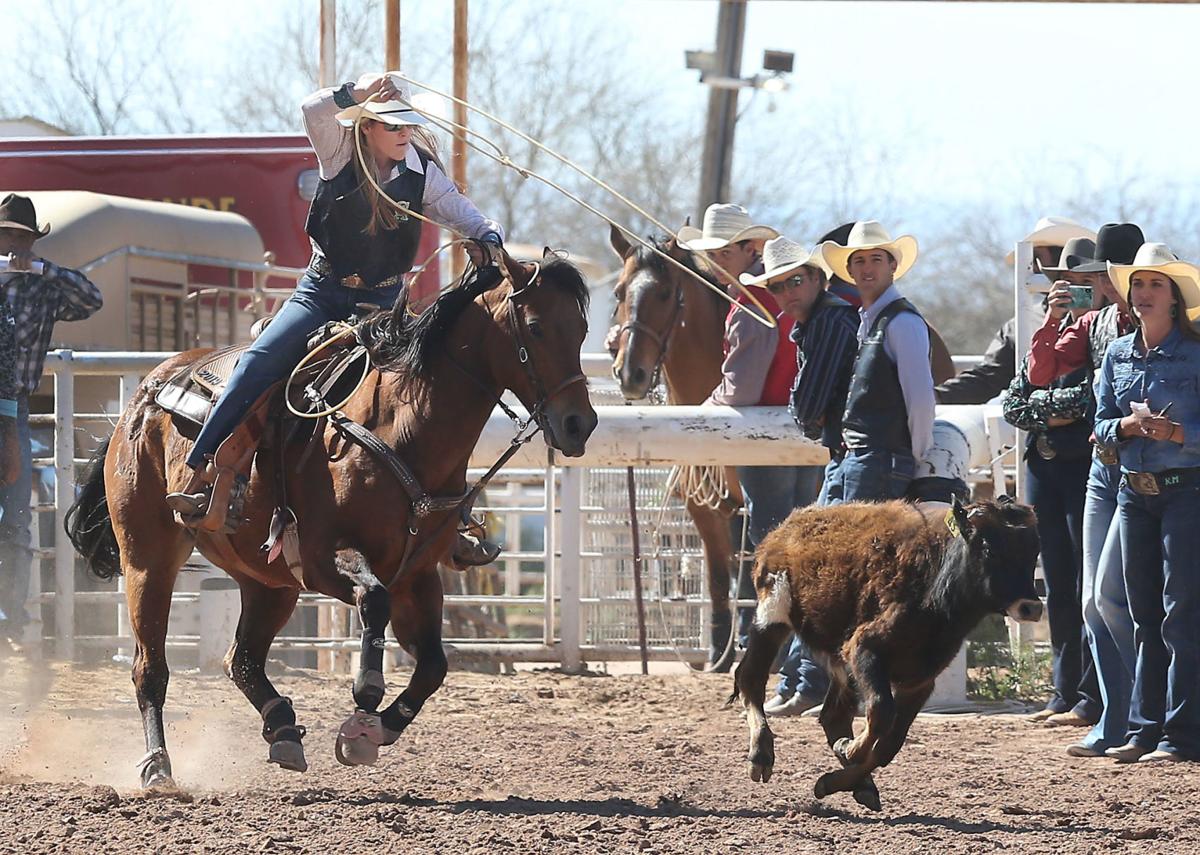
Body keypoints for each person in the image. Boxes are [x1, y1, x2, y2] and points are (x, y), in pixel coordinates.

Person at [165, 73, 504, 561]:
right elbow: (311, 110)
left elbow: (462, 212)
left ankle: (449, 515)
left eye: (405, 123)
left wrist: (488, 236)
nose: (403, 132)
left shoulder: (422, 172)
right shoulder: (340, 152)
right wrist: (356, 94)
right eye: (390, 124)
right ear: (366, 127)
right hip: (322, 294)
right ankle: (200, 466)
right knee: (258, 361)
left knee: (429, 387)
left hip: (384, 303)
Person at [1024, 223, 1144, 756]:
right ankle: (1116, 714)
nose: (1099, 284)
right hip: (1104, 462)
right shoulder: (1096, 323)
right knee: (1099, 594)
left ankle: (1136, 712)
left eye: (1102, 275)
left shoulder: (1151, 327)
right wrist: (1053, 320)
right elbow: (1041, 371)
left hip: (1129, 464)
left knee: (1129, 596)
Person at [738, 237, 858, 716]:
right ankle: (810, 681)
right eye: (778, 285)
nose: (787, 292)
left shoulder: (826, 323)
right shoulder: (825, 321)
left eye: (794, 280)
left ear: (816, 280)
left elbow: (806, 409)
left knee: (823, 573)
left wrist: (808, 411)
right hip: (848, 453)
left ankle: (813, 683)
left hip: (852, 454)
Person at [1095, 242, 1200, 764]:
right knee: (1143, 613)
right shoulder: (1117, 355)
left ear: (1175, 297)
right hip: (1133, 492)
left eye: (1156, 283)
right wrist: (1124, 427)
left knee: (1180, 612)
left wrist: (1177, 433)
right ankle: (1144, 729)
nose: (1144, 292)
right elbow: (1100, 424)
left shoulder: (1197, 354)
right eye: (1139, 284)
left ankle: (1179, 736)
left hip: (1186, 490)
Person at [680, 205, 792, 661]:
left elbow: (741, 387)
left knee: (770, 541)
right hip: (790, 425)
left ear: (751, 250)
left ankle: (766, 648)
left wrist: (703, 412)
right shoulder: (774, 293)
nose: (714, 262)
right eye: (712, 254)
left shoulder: (751, 300)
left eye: (723, 253)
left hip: (764, 432)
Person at [1004, 238, 1102, 731]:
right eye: (1071, 285)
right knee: (1059, 580)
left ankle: (1091, 691)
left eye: (1087, 283)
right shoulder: (1054, 333)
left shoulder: (1104, 336)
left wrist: (1054, 410)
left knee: (1088, 582)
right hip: (1047, 465)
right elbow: (1022, 398)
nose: (1080, 293)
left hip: (1082, 464)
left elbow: (1081, 401)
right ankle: (1067, 690)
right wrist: (1050, 322)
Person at [0, 193, 103, 642]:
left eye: (22, 241)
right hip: (12, 408)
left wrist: (43, 270)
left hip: (14, 407)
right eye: (8, 238)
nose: (14, 248)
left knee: (17, 516)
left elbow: (90, 299)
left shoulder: (41, 286)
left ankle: (12, 619)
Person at [819, 221, 935, 504]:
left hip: (880, 460)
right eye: (859, 260)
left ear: (892, 265)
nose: (867, 268)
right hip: (860, 458)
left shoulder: (903, 322)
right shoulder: (874, 321)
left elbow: (920, 399)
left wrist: (919, 454)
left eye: (875, 259)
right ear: (849, 270)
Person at [936, 217, 1097, 405]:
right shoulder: (1021, 323)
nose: (1033, 266)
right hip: (1044, 428)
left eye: (1038, 257)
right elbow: (989, 377)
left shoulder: (1113, 319)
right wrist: (937, 397)